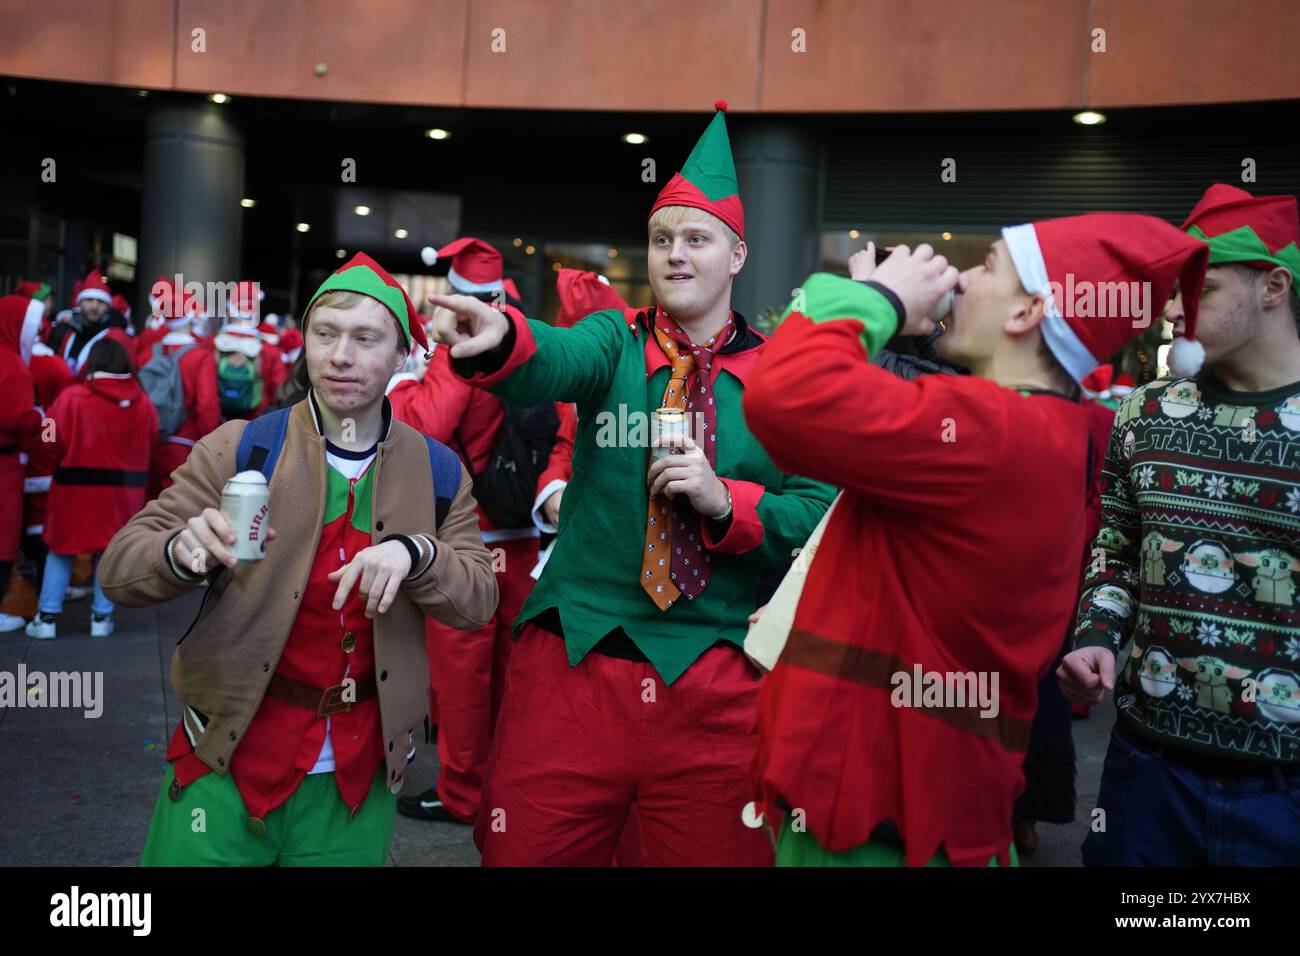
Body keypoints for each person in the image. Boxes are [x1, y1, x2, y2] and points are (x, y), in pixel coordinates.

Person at [430, 102, 836, 865]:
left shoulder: (787, 375)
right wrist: (500, 342)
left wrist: (727, 504)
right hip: (574, 667)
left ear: (737, 255)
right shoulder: (612, 339)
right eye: (660, 239)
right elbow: (551, 358)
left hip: (720, 676)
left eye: (696, 238)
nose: (675, 255)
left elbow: (818, 513)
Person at [745, 212, 1208, 866]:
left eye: (987, 266)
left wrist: (874, 299)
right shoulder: (1041, 428)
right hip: (922, 804)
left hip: (877, 818)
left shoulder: (988, 428)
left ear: (1028, 313)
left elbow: (782, 397)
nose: (960, 278)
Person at [98, 252, 498, 866]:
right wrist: (181, 551)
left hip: (358, 780)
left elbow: (478, 600)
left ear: (401, 356)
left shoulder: (439, 471)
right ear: (304, 343)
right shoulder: (241, 447)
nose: (340, 356)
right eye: (325, 334)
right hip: (225, 760)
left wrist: (417, 553)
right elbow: (119, 569)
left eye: (367, 339)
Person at [1060, 184, 1300, 866]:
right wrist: (1095, 636)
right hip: (1146, 771)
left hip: (1286, 793)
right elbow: (1117, 546)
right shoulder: (1145, 413)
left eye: (1202, 288)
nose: (1171, 309)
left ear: (1274, 286)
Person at [393, 237, 557, 825]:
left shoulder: (461, 347)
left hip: (469, 540)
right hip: (520, 535)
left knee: (463, 677)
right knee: (511, 672)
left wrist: (406, 387)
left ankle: (464, 792)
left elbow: (429, 425)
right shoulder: (521, 335)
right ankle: (506, 782)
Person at [24, 339, 156, 639]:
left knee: (60, 550)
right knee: (109, 552)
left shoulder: (70, 397)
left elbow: (47, 437)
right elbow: (152, 438)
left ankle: (46, 619)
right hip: (124, 491)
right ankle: (101, 617)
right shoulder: (142, 401)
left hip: (73, 488)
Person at [139, 277, 221, 499]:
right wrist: (212, 446)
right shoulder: (200, 357)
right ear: (191, 316)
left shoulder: (148, 353)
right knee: (179, 509)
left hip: (151, 442)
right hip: (185, 444)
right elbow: (207, 407)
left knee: (149, 508)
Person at [0, 292, 44, 633]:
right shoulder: (12, 366)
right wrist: (40, 419)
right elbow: (18, 418)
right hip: (5, 465)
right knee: (4, 537)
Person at [47, 269, 135, 374]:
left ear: (108, 307)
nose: (94, 306)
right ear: (80, 303)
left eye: (101, 302)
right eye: (89, 300)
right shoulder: (63, 330)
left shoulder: (115, 338)